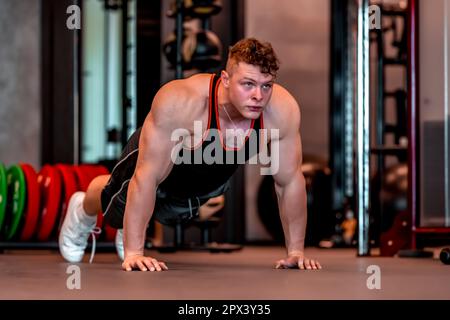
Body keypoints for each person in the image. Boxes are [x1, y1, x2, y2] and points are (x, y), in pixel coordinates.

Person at [59, 38, 322, 272]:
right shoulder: (181, 101)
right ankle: (82, 209)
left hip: (204, 178)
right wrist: (135, 253)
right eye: (248, 84)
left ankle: (131, 226)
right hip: (159, 161)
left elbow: (288, 183)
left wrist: (295, 252)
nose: (258, 96)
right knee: (117, 202)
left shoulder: (282, 111)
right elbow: (147, 177)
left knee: (169, 215)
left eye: (266, 86)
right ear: (226, 79)